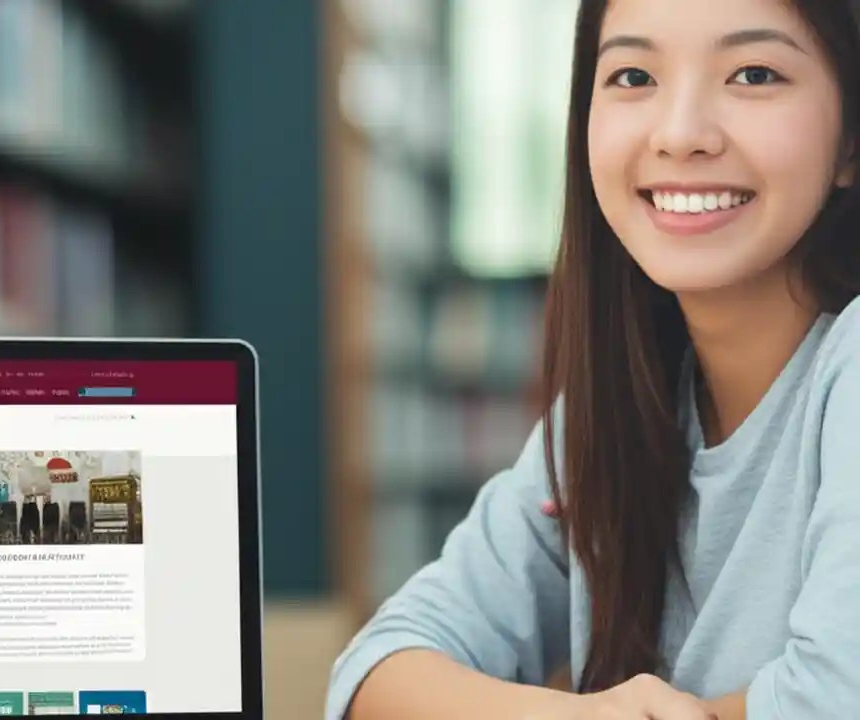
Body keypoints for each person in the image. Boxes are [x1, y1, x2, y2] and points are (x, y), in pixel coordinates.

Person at [327, 0, 860, 718]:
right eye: (634, 76)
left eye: (754, 73)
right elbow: (375, 672)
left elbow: (834, 700)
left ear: (850, 139)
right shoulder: (610, 410)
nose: (680, 134)